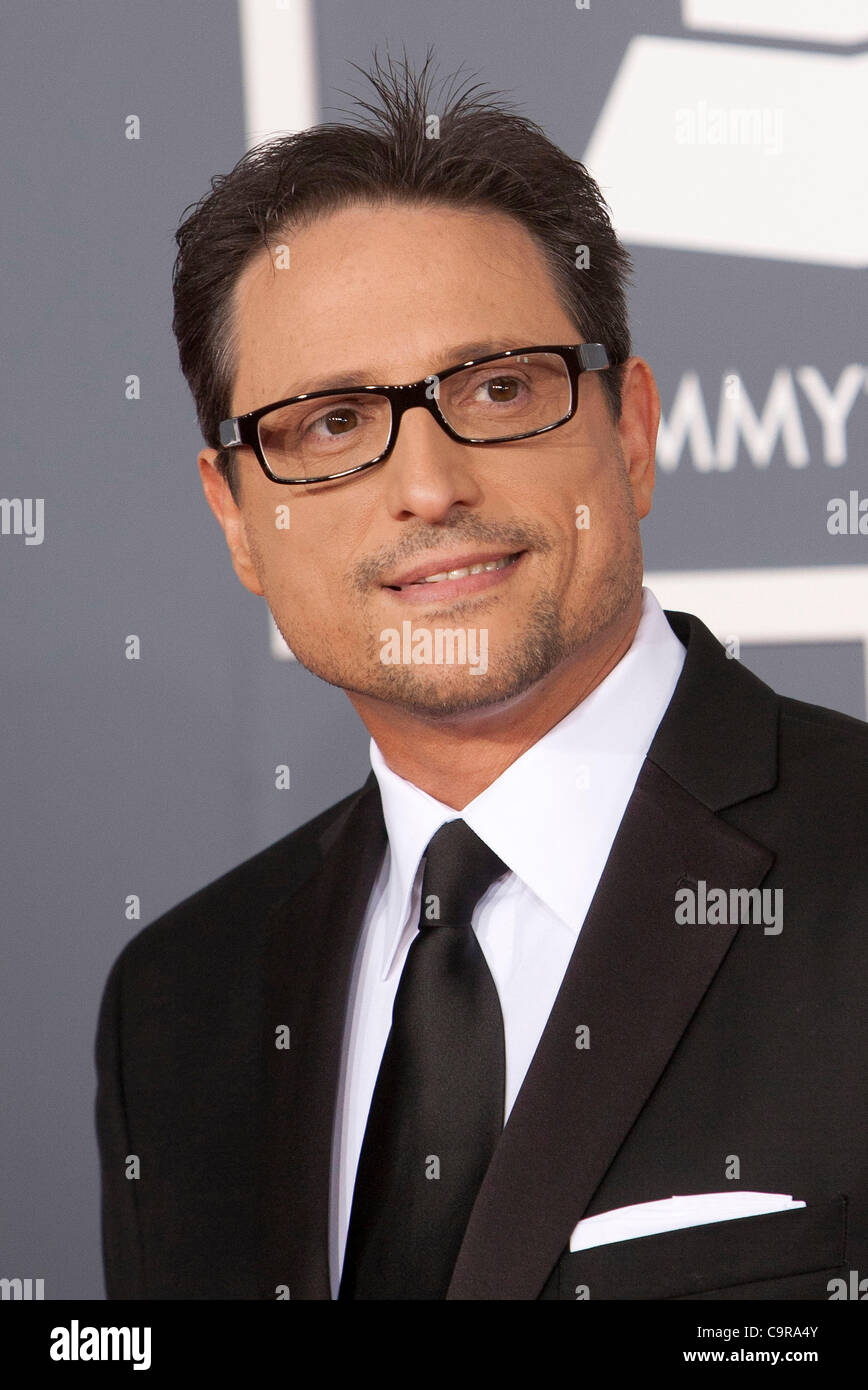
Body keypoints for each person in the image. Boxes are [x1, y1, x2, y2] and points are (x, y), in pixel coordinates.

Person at [95, 53, 868, 1300]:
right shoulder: (177, 1005)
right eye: (332, 424)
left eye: (499, 389)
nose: (430, 485)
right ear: (237, 518)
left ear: (628, 432)